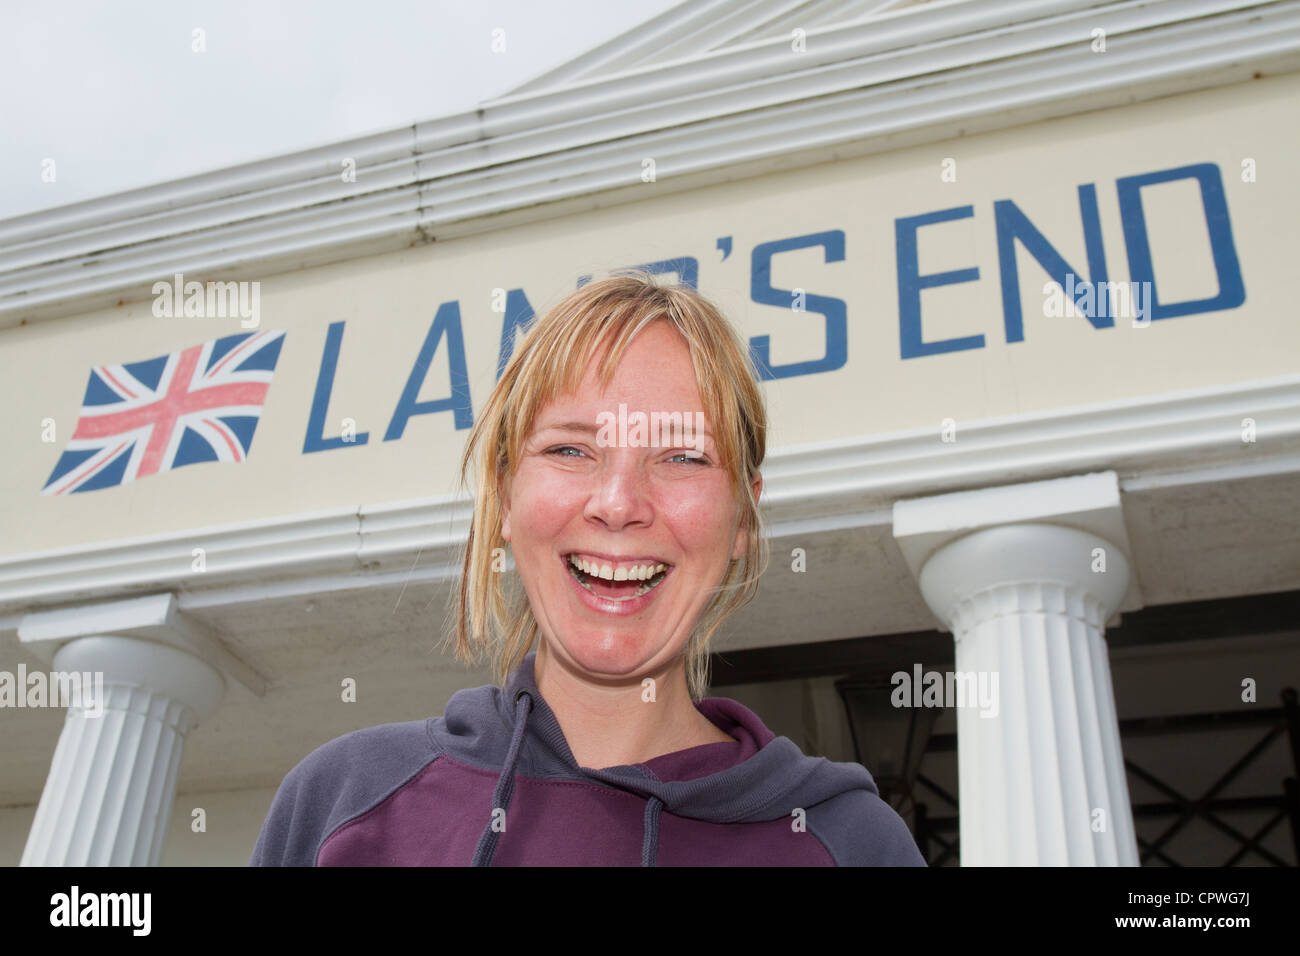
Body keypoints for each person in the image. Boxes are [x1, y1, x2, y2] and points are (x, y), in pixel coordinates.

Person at [249, 272, 925, 866]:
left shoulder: (851, 844)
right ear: (507, 495)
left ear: (742, 517)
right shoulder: (346, 801)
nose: (618, 504)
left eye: (682, 457)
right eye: (571, 450)